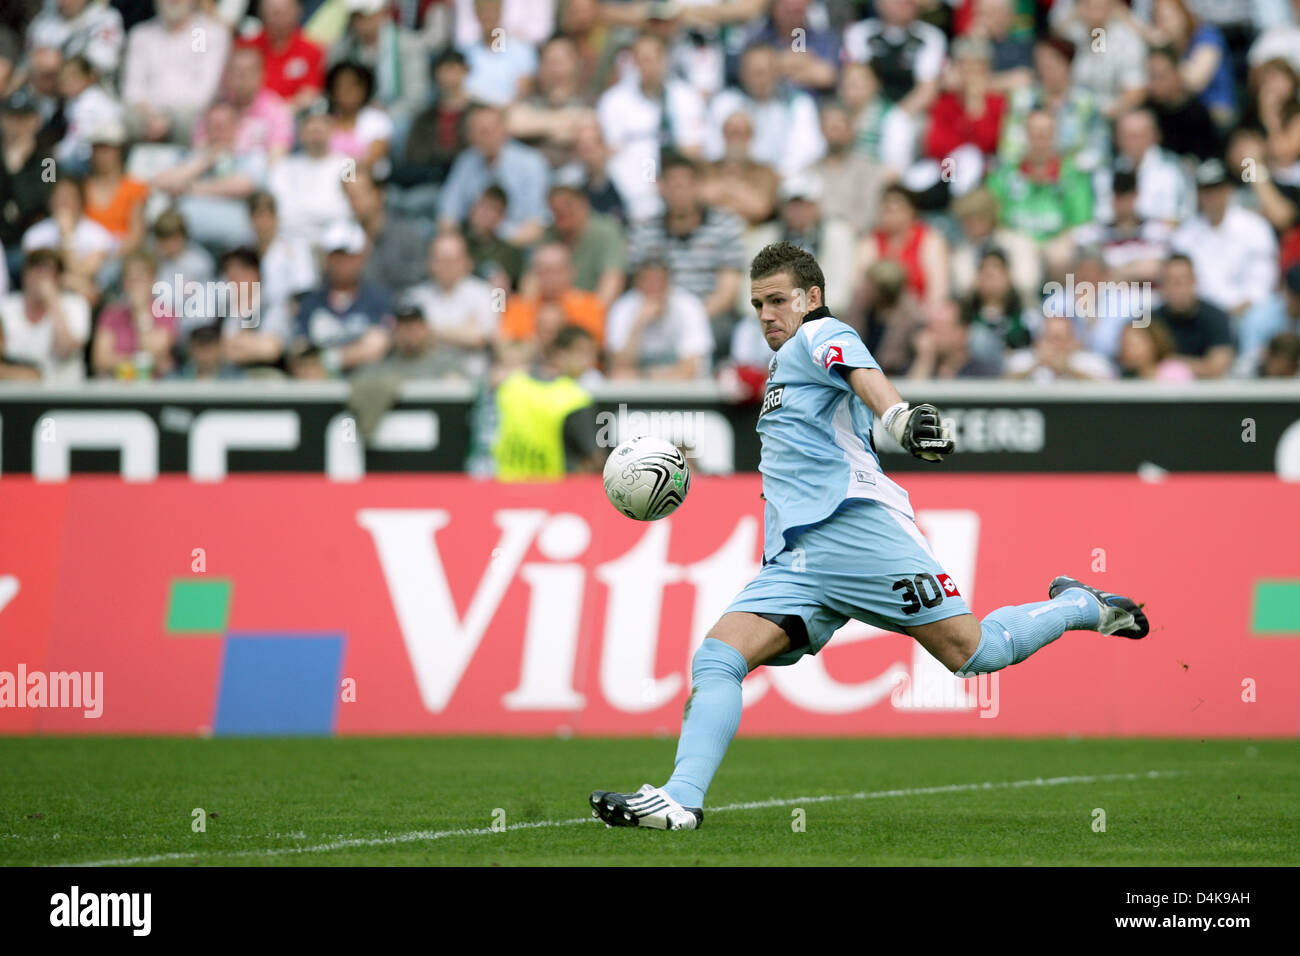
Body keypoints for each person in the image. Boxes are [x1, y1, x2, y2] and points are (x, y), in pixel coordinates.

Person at [589, 241, 1149, 830]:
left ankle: (1081, 605)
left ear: (812, 297)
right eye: (757, 304)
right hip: (797, 560)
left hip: (857, 529)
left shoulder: (819, 332)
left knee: (973, 652)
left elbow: (861, 371)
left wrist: (898, 417)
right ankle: (680, 800)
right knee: (718, 658)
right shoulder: (783, 364)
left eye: (777, 300)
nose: (766, 314)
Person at [492, 323, 605, 481]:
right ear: (560, 354)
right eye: (581, 352)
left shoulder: (511, 384)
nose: (589, 361)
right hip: (554, 491)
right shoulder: (575, 398)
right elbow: (595, 458)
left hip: (505, 485)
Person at [605, 258, 713, 380]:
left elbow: (689, 370)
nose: (654, 287)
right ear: (637, 283)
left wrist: (644, 377)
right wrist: (637, 326)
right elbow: (618, 369)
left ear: (669, 283)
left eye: (659, 281)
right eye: (648, 281)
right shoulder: (623, 308)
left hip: (682, 394)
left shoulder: (690, 306)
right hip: (633, 395)